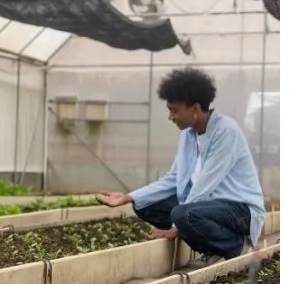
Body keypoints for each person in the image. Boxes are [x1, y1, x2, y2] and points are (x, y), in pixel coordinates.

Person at [97, 67, 265, 265]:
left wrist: (177, 226)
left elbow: (204, 185)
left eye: (174, 110)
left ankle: (235, 246)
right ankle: (207, 244)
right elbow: (172, 179)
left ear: (194, 108)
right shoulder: (188, 135)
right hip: (207, 207)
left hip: (239, 211)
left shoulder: (225, 131)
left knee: (183, 214)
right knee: (145, 204)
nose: (170, 117)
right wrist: (129, 197)